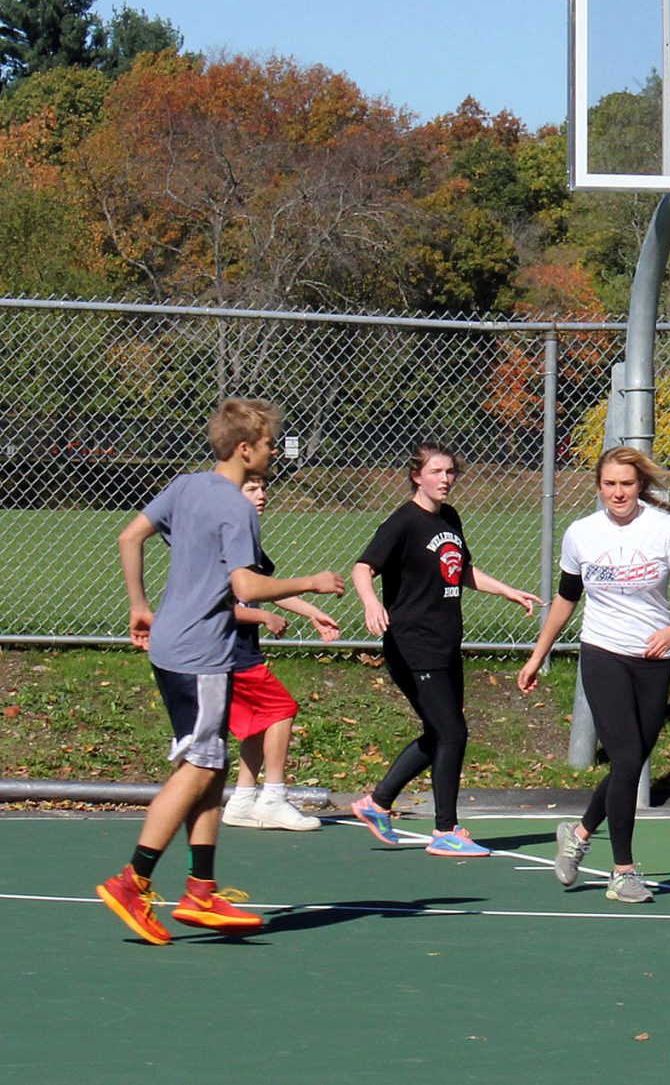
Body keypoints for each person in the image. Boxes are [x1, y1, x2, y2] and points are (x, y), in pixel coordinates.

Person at [96, 398, 345, 945]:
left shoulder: (186, 486)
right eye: (269, 444)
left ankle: (200, 891)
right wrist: (311, 582)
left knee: (208, 761)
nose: (274, 452)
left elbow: (128, 536)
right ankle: (132, 881)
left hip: (170, 647)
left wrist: (139, 605)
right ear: (244, 450)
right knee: (197, 768)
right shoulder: (237, 507)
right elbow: (247, 588)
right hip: (202, 655)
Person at [518, 447, 670, 903]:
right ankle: (622, 871)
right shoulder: (581, 534)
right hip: (603, 654)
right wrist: (536, 655)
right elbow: (566, 599)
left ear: (639, 485)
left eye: (626, 484)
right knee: (624, 760)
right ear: (598, 486)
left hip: (654, 659)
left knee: (632, 761)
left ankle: (579, 834)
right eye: (609, 484)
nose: (617, 493)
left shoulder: (667, 530)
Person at [349, 442, 538, 856]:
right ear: (417, 476)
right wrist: (371, 602)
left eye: (450, 472)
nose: (445, 479)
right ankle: (444, 831)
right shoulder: (403, 522)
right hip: (413, 645)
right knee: (451, 733)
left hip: (445, 642)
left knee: (441, 732)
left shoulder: (448, 518)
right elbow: (363, 568)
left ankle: (377, 803)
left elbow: (462, 569)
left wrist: (507, 591)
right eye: (436, 472)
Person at [223, 473, 343, 831]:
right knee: (281, 710)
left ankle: (242, 801)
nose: (262, 495)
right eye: (252, 489)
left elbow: (264, 589)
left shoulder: (246, 539)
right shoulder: (226, 537)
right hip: (225, 651)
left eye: (263, 488)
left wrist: (311, 612)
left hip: (240, 650)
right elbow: (212, 606)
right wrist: (261, 616)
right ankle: (273, 797)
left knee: (259, 725)